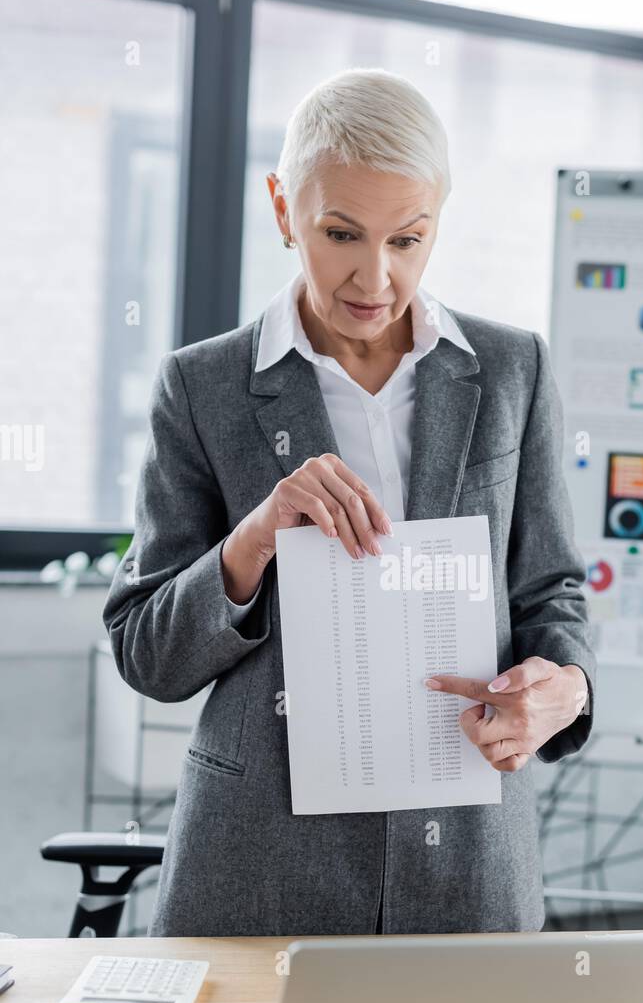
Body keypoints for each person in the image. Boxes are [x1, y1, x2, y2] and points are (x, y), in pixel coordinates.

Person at [103, 67, 596, 936]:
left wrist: (565, 689)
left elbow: (551, 592)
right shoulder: (202, 386)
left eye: (408, 239)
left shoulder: (514, 370)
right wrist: (251, 542)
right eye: (341, 233)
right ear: (284, 208)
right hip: (258, 860)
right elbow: (148, 654)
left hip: (469, 860)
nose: (375, 277)